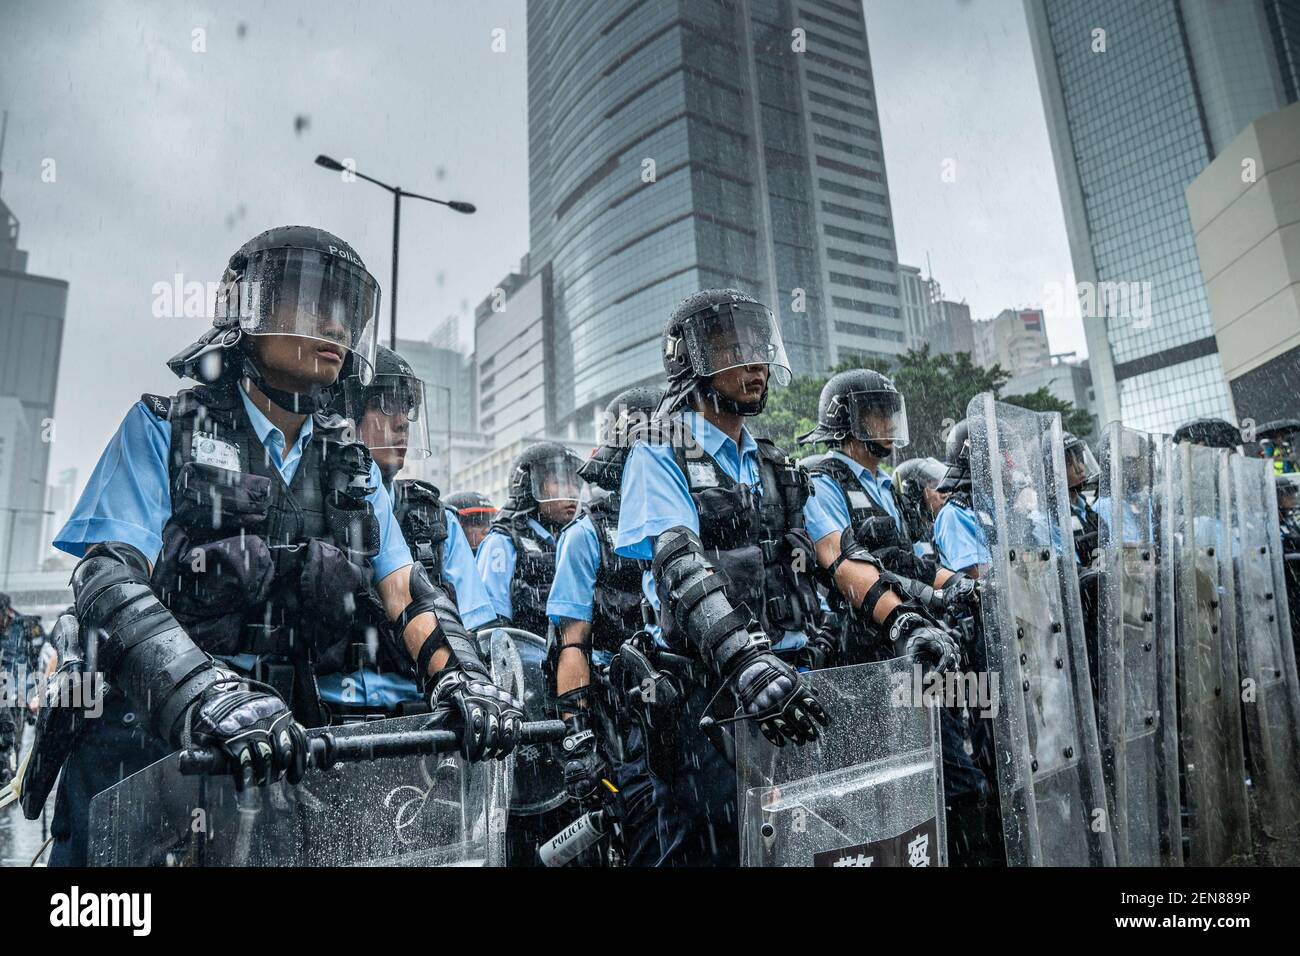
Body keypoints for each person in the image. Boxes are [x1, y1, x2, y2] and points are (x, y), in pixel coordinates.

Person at [37, 225, 522, 866]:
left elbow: (406, 594)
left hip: (277, 761)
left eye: (349, 308)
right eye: (314, 300)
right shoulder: (162, 427)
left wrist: (464, 679)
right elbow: (109, 582)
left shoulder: (354, 469)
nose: (337, 322)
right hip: (144, 759)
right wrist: (206, 694)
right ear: (249, 309)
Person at [615, 288, 958, 865]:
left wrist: (903, 621)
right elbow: (680, 565)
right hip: (709, 703)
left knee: (809, 843)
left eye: (758, 345)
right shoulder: (659, 450)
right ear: (689, 360)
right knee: (713, 851)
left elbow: (840, 556)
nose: (754, 362)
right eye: (731, 348)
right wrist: (745, 660)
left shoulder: (776, 466)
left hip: (795, 690)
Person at [796, 370, 988, 865]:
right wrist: (909, 613)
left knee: (949, 784)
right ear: (846, 420)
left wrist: (965, 588)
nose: (887, 422)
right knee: (884, 801)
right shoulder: (821, 479)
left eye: (889, 410)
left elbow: (910, 561)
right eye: (874, 412)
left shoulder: (882, 485)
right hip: (863, 661)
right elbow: (845, 564)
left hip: (914, 654)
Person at [320, 344, 497, 719]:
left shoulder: (438, 521)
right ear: (347, 411)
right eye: (385, 404)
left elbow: (482, 634)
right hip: (320, 721)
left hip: (424, 720)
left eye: (407, 408)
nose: (402, 422)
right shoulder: (306, 504)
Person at [546, 385, 664, 866]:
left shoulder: (687, 516)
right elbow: (570, 644)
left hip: (685, 705)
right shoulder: (586, 535)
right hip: (621, 712)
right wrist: (577, 739)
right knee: (643, 829)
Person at [476, 443, 585, 637]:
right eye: (559, 482)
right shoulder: (503, 541)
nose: (572, 492)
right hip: (526, 659)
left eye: (574, 483)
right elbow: (491, 623)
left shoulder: (578, 539)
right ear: (528, 485)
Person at [933, 419, 993, 579]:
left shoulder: (990, 508)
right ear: (979, 459)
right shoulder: (955, 515)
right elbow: (987, 582)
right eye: (1002, 452)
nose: (1010, 462)